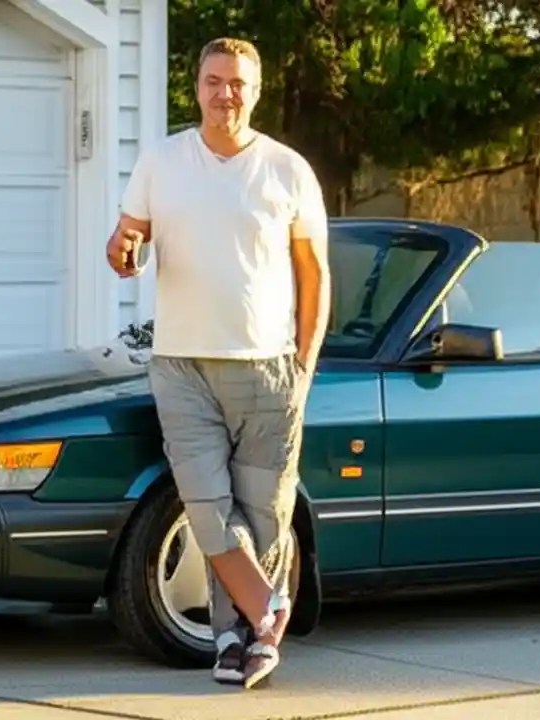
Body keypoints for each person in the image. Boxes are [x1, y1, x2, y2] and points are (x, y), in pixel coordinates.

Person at [105, 37, 330, 689]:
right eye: (213, 80)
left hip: (267, 369)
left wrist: (305, 364)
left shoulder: (288, 170)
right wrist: (124, 252)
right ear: (196, 87)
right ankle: (268, 611)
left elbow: (312, 275)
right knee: (207, 505)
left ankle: (237, 642)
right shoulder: (161, 160)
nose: (225, 92)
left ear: (255, 90)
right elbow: (128, 243)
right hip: (180, 366)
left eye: (238, 82)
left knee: (262, 517)